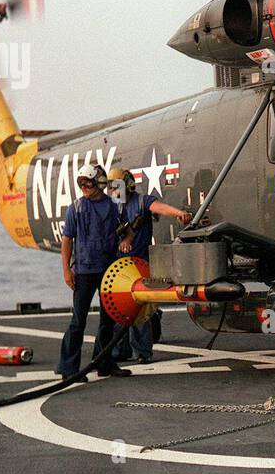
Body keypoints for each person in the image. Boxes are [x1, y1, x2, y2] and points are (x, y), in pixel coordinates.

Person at [106, 167, 193, 365]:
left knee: (140, 312)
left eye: (116, 186)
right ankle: (121, 349)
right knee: (121, 309)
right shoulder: (112, 207)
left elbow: (159, 207)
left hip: (140, 265)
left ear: (127, 184)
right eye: (111, 187)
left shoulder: (142, 201)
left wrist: (178, 213)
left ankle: (143, 351)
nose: (113, 191)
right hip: (120, 267)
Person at [57, 163, 130, 381]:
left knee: (108, 321)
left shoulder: (115, 206)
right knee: (78, 321)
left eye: (87, 183)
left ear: (98, 182)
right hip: (84, 271)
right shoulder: (76, 208)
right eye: (81, 184)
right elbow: (67, 241)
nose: (84, 187)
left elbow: (129, 231)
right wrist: (66, 272)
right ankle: (69, 369)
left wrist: (126, 240)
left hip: (109, 271)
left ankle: (104, 363)